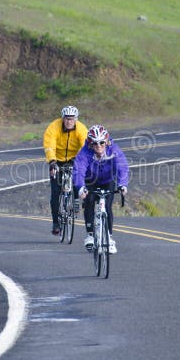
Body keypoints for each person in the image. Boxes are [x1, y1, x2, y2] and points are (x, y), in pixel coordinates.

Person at [73, 124, 129, 254]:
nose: (99, 146)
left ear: (107, 141)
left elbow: (123, 167)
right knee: (89, 202)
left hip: (108, 180)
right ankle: (90, 235)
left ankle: (109, 238)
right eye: (95, 143)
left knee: (107, 207)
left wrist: (122, 185)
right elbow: (78, 170)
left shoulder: (113, 149)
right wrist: (81, 188)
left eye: (102, 142)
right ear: (90, 144)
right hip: (90, 181)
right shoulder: (85, 152)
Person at [43, 106, 88, 235]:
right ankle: (56, 223)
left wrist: (80, 162)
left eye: (72, 119)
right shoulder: (53, 127)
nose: (69, 122)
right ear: (63, 119)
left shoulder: (81, 129)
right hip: (57, 159)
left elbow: (85, 146)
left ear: (76, 119)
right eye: (67, 119)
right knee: (55, 193)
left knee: (78, 178)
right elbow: (49, 145)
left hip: (75, 158)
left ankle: (76, 200)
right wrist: (52, 162)